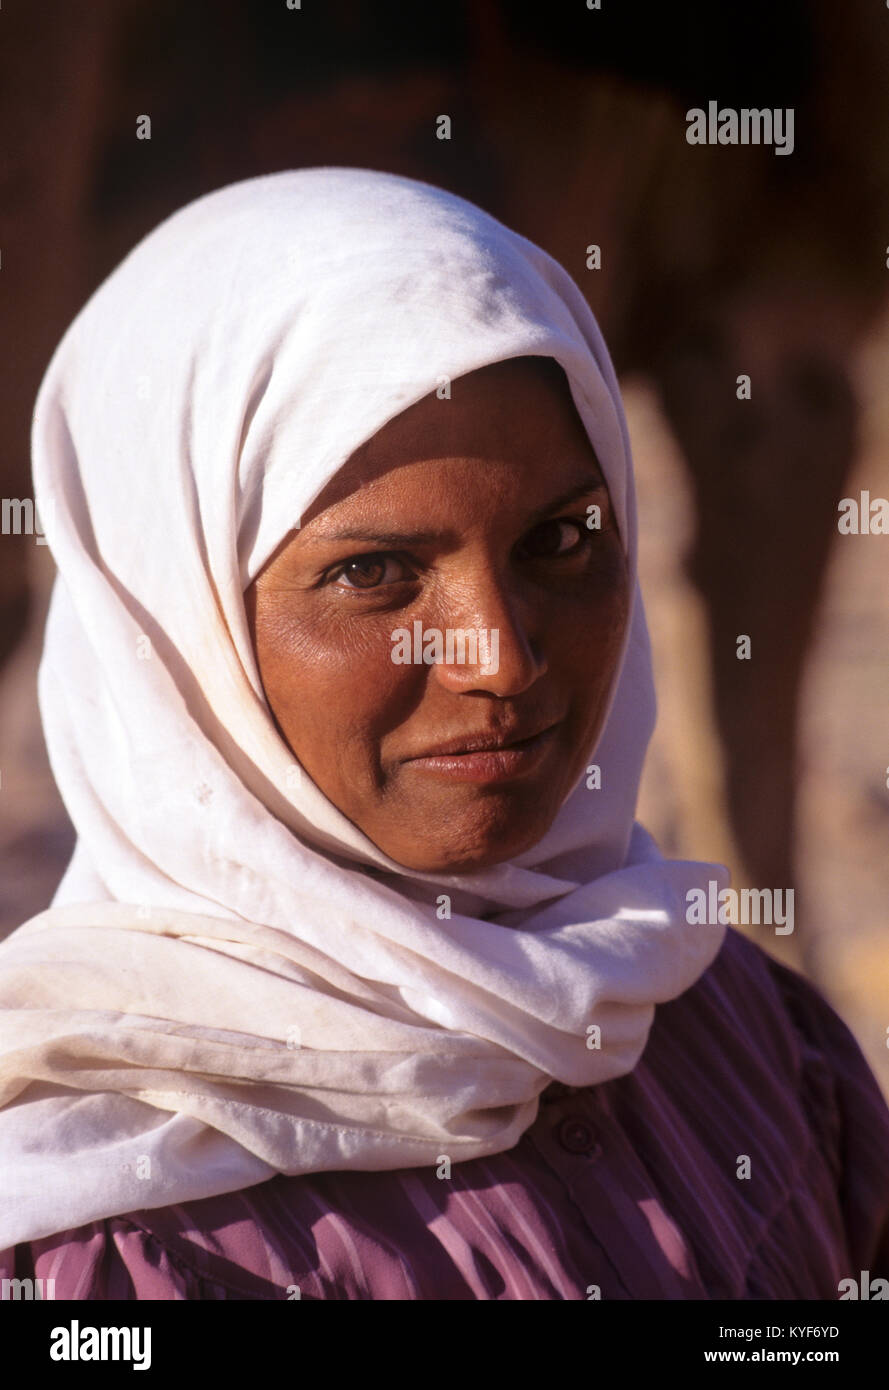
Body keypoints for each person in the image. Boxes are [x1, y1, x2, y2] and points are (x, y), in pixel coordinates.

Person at [0, 167, 886, 1301]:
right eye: (375, 573)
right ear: (176, 621)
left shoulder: (745, 1036)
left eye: (561, 539)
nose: (500, 657)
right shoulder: (111, 1238)